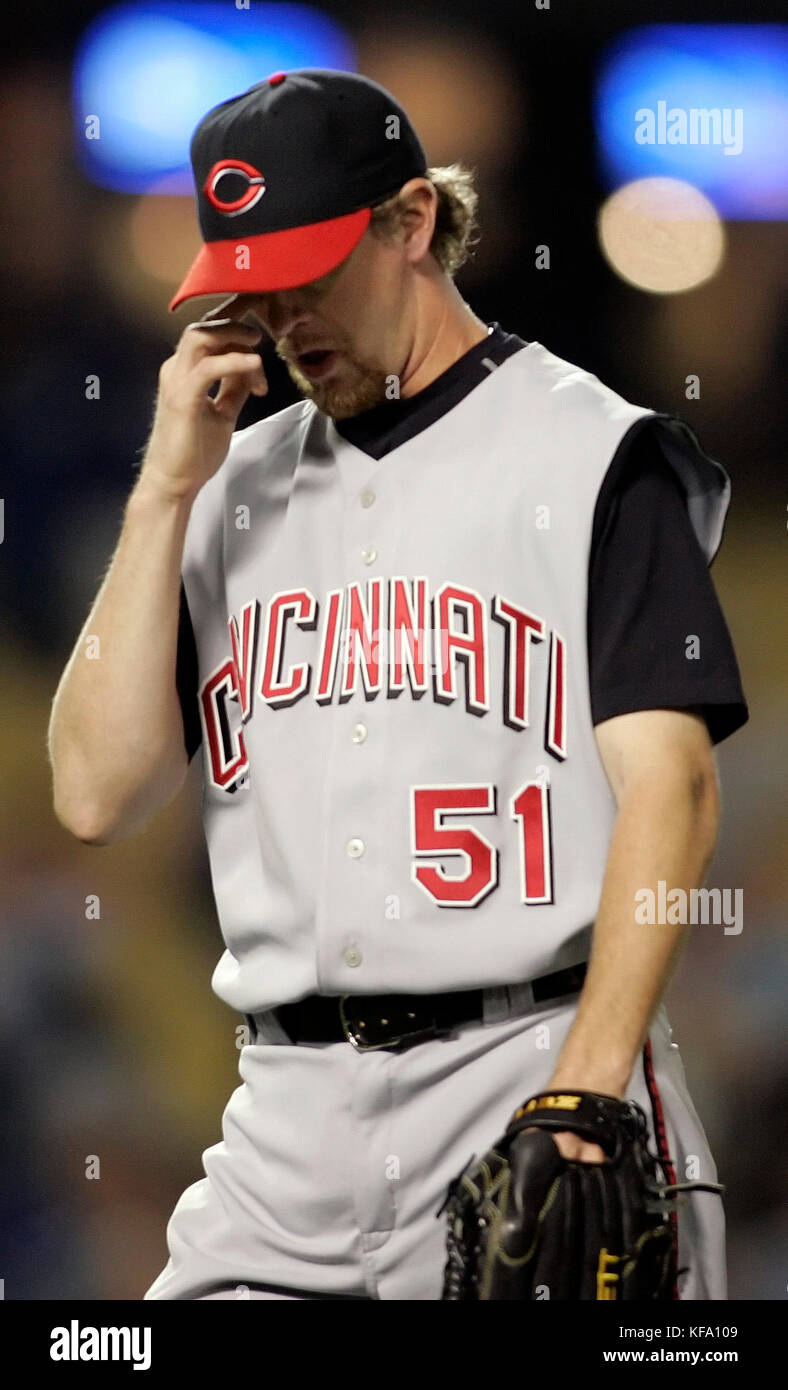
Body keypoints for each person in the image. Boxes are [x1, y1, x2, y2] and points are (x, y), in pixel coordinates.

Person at [48, 69, 748, 1301]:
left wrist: (584, 1081)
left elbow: (672, 793)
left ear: (412, 221)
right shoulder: (224, 487)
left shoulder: (590, 456)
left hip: (525, 1073)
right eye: (252, 289)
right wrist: (165, 489)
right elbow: (95, 794)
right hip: (282, 1128)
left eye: (308, 271)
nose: (283, 315)